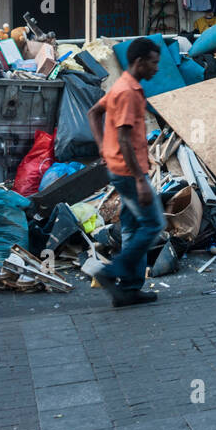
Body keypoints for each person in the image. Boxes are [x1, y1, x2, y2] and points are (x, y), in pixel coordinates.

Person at [86, 38, 163, 308]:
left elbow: (93, 112)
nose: (156, 68)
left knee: (133, 226)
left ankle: (128, 290)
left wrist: (101, 148)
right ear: (139, 62)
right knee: (154, 224)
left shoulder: (121, 86)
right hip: (129, 173)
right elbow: (124, 139)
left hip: (119, 168)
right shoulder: (128, 92)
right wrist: (141, 180)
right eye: (153, 62)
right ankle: (111, 273)